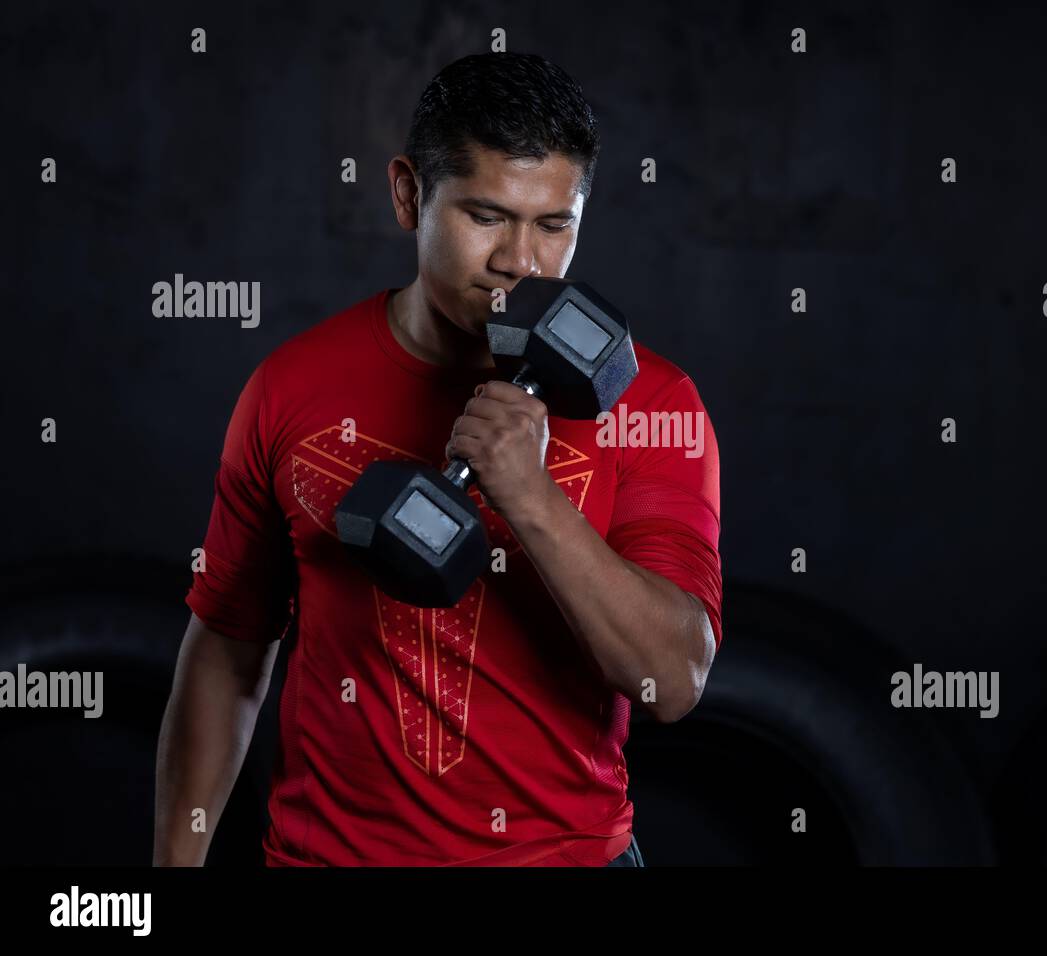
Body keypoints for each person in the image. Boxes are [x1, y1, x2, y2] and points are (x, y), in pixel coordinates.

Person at [152, 51, 722, 867]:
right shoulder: (292, 388)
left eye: (554, 224)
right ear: (409, 194)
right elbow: (229, 649)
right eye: (486, 216)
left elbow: (673, 679)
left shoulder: (653, 405)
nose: (520, 263)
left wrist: (530, 496)